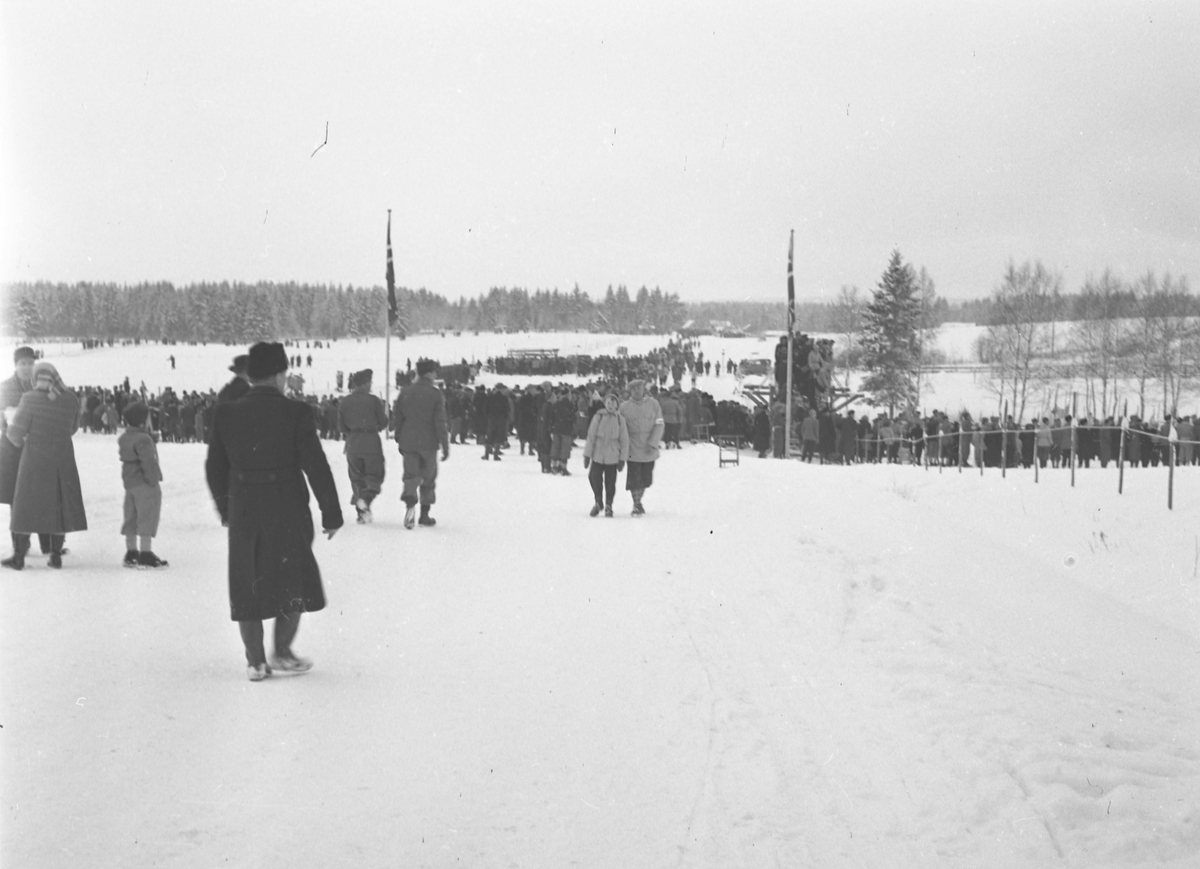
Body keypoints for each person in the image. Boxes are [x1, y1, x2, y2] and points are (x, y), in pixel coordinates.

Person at [205, 342, 343, 682]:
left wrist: (226, 509)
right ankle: (281, 651)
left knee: (246, 582)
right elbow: (316, 464)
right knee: (291, 579)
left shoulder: (226, 413)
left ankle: (255, 661)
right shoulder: (296, 413)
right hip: (287, 506)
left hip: (245, 509)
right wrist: (331, 512)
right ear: (280, 375)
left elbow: (214, 468)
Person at [3, 362, 87, 569]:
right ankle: (55, 555)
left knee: (25, 505)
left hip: (34, 459)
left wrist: (13, 427)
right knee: (59, 503)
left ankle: (19, 557)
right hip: (63, 459)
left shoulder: (30, 398)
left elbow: (15, 435)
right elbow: (73, 428)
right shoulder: (70, 398)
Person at [393, 358, 450, 529]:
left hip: (409, 442)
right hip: (429, 443)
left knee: (411, 475)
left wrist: (399, 436)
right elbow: (440, 422)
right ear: (429, 373)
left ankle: (410, 504)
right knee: (428, 478)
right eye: (434, 372)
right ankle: (424, 515)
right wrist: (445, 445)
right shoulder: (435, 393)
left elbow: (398, 416)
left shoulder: (405, 391)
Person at [117, 402, 167, 568]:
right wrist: (154, 480)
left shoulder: (125, 437)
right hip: (145, 483)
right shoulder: (143, 438)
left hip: (130, 483)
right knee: (147, 517)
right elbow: (148, 462)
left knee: (131, 517)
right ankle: (145, 552)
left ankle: (131, 552)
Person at [338, 369, 388, 523]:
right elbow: (384, 422)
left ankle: (361, 513)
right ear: (366, 383)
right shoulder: (373, 400)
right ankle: (366, 500)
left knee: (357, 478)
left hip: (352, 443)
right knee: (375, 476)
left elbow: (341, 427)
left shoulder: (344, 401)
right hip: (371, 442)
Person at [617, 379, 663, 517]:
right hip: (632, 448)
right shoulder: (624, 407)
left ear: (644, 389)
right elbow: (620, 428)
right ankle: (636, 504)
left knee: (646, 478)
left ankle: (639, 501)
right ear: (630, 391)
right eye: (634, 389)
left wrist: (653, 443)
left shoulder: (654, 404)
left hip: (649, 448)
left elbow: (659, 424)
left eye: (639, 388)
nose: (637, 391)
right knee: (634, 478)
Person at [583, 392, 629, 517]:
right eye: (608, 403)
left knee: (610, 482)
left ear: (617, 405)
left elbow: (624, 440)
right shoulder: (598, 417)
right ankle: (598, 501)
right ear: (604, 404)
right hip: (598, 454)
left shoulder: (620, 420)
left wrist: (622, 459)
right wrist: (587, 455)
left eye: (613, 403)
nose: (610, 405)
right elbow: (591, 436)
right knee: (593, 477)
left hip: (613, 456)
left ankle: (609, 505)